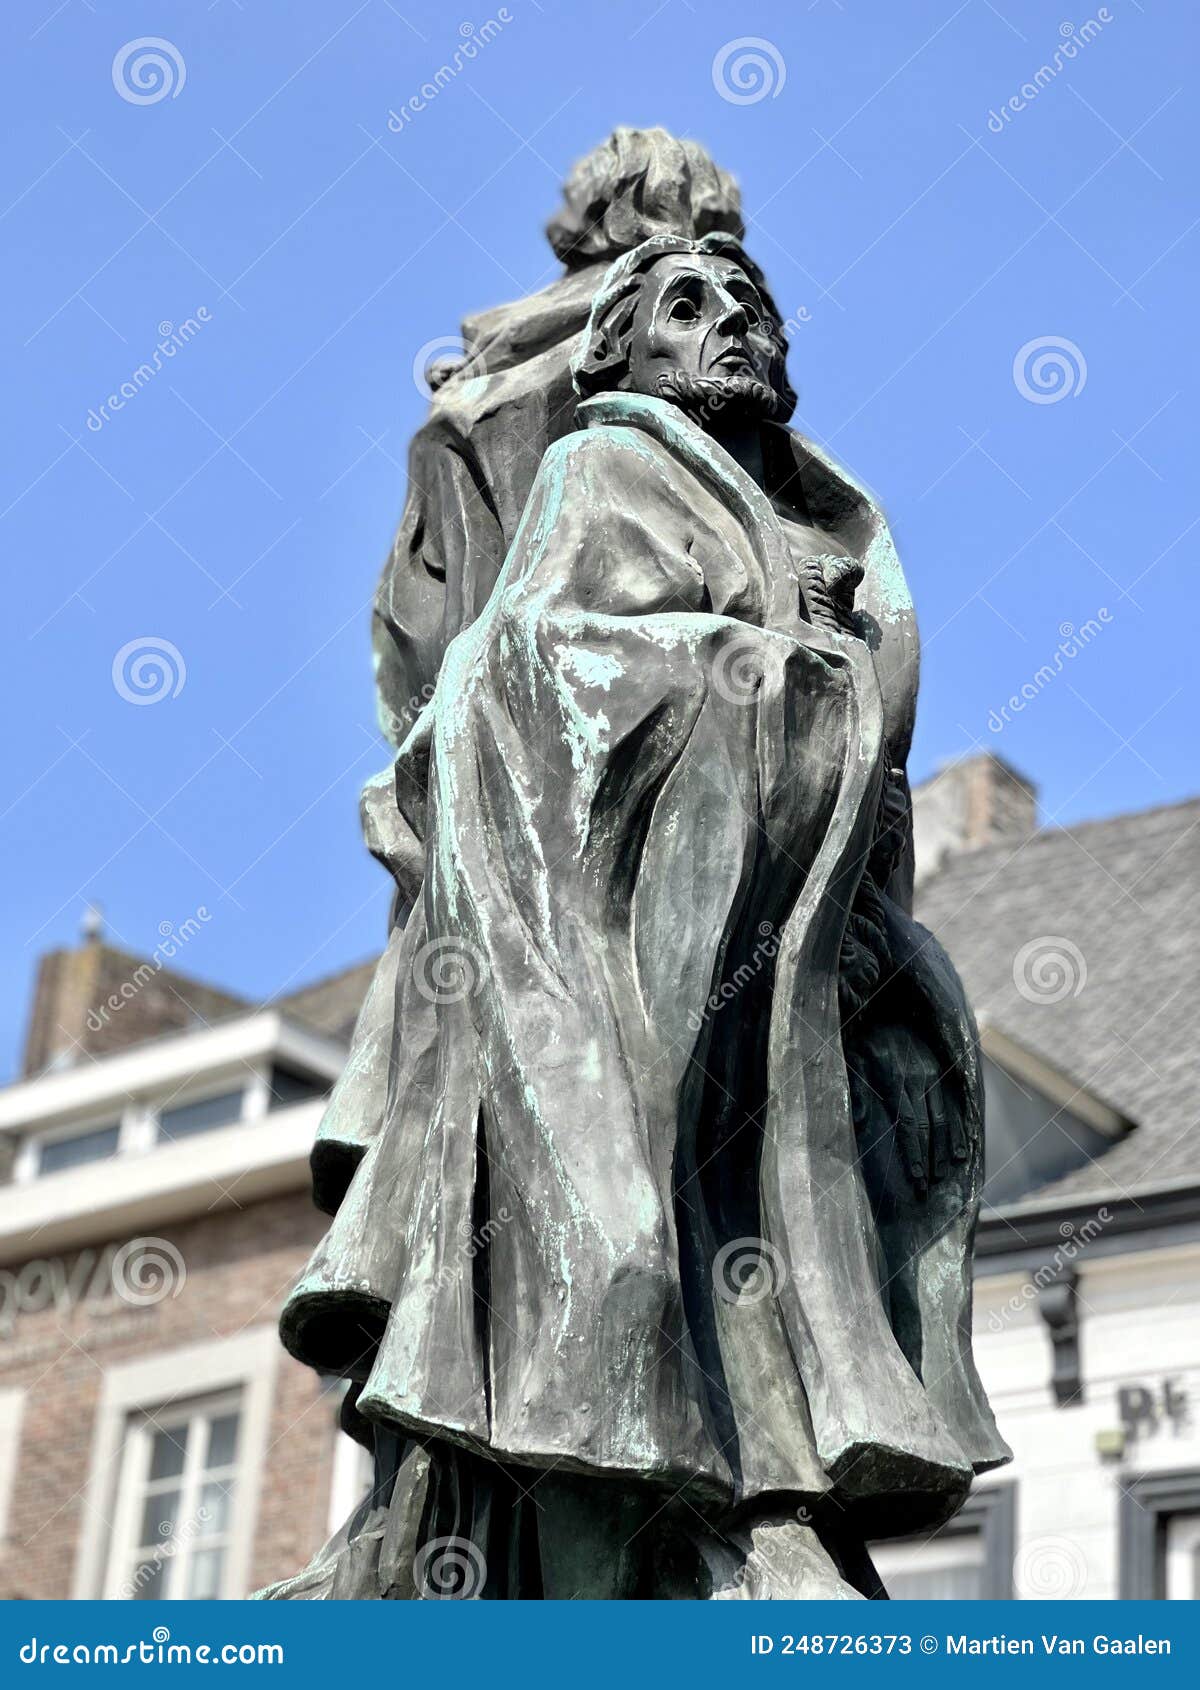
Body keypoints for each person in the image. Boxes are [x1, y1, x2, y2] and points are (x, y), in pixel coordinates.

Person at [265, 234, 1008, 1602]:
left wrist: (825, 698)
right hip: (615, 937)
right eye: (687, 303)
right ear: (625, 349)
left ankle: (776, 1497)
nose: (732, 321)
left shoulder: (813, 512)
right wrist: (765, 674)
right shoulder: (598, 465)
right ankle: (686, 1521)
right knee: (629, 1226)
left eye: (750, 303)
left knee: (859, 1135)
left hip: (782, 936)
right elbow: (530, 660)